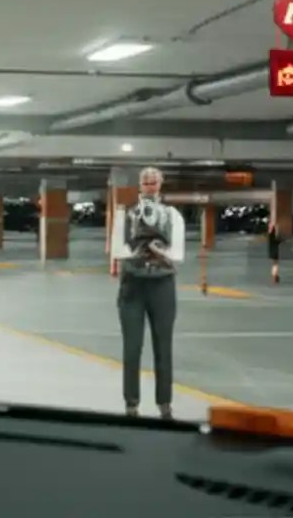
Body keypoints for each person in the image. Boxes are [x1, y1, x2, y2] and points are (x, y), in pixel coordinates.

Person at [114, 166, 182, 419]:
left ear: (161, 184)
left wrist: (160, 252)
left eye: (154, 182)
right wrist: (135, 253)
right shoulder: (127, 214)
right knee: (132, 348)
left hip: (162, 285)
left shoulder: (172, 215)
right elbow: (117, 249)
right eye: (146, 182)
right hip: (133, 284)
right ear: (140, 185)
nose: (150, 186)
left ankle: (164, 403)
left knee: (163, 347)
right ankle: (131, 404)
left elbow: (178, 253)